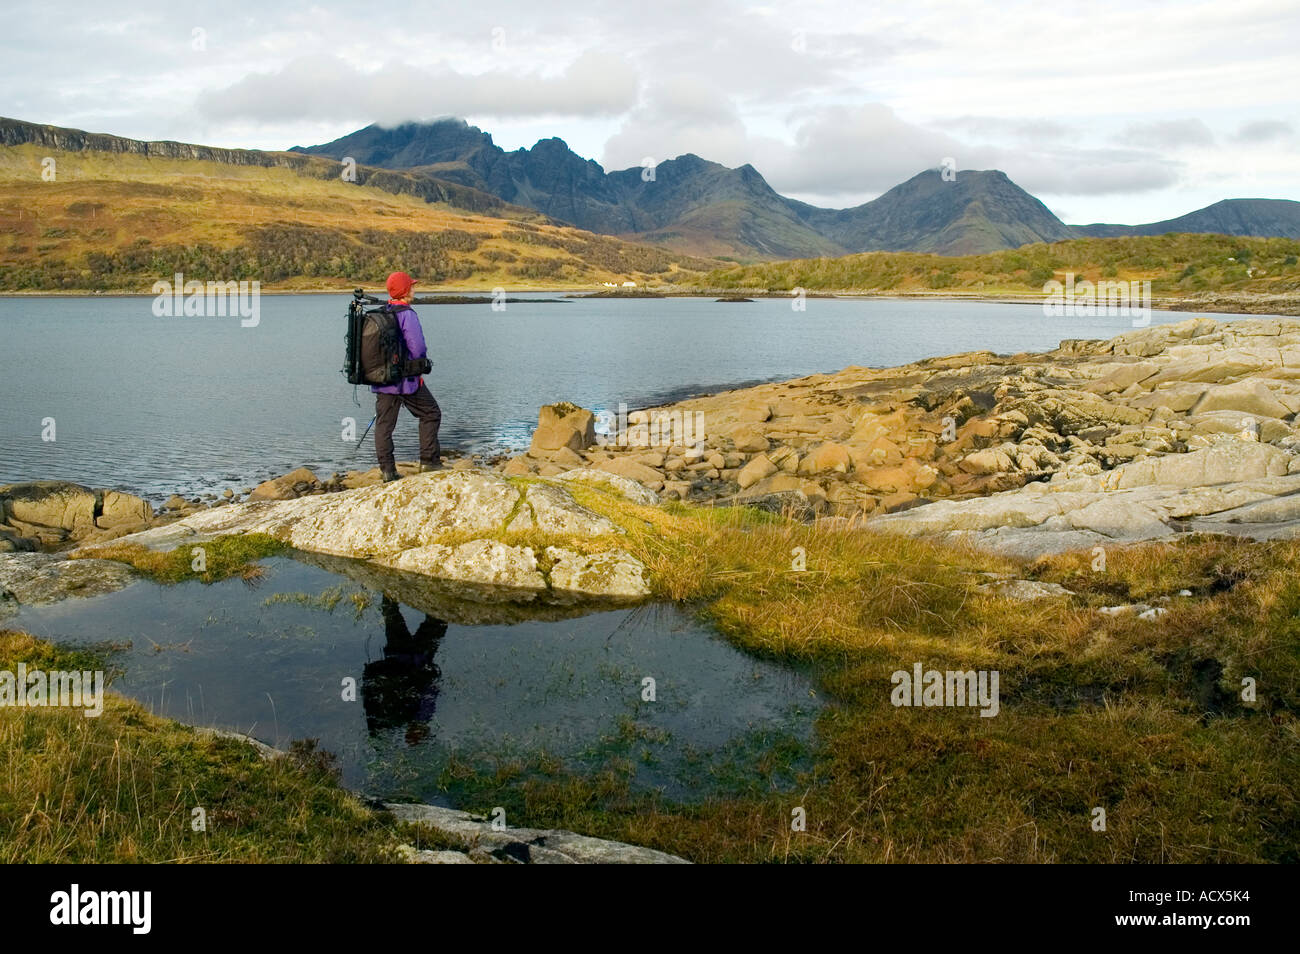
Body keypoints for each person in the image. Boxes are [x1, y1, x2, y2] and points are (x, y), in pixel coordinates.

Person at [373, 271, 442, 481]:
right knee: (431, 413)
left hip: (382, 380)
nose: (414, 289)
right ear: (405, 290)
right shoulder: (406, 314)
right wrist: (418, 367)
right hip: (405, 381)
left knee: (384, 426)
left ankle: (387, 471)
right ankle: (429, 463)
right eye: (411, 286)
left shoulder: (381, 312)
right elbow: (418, 347)